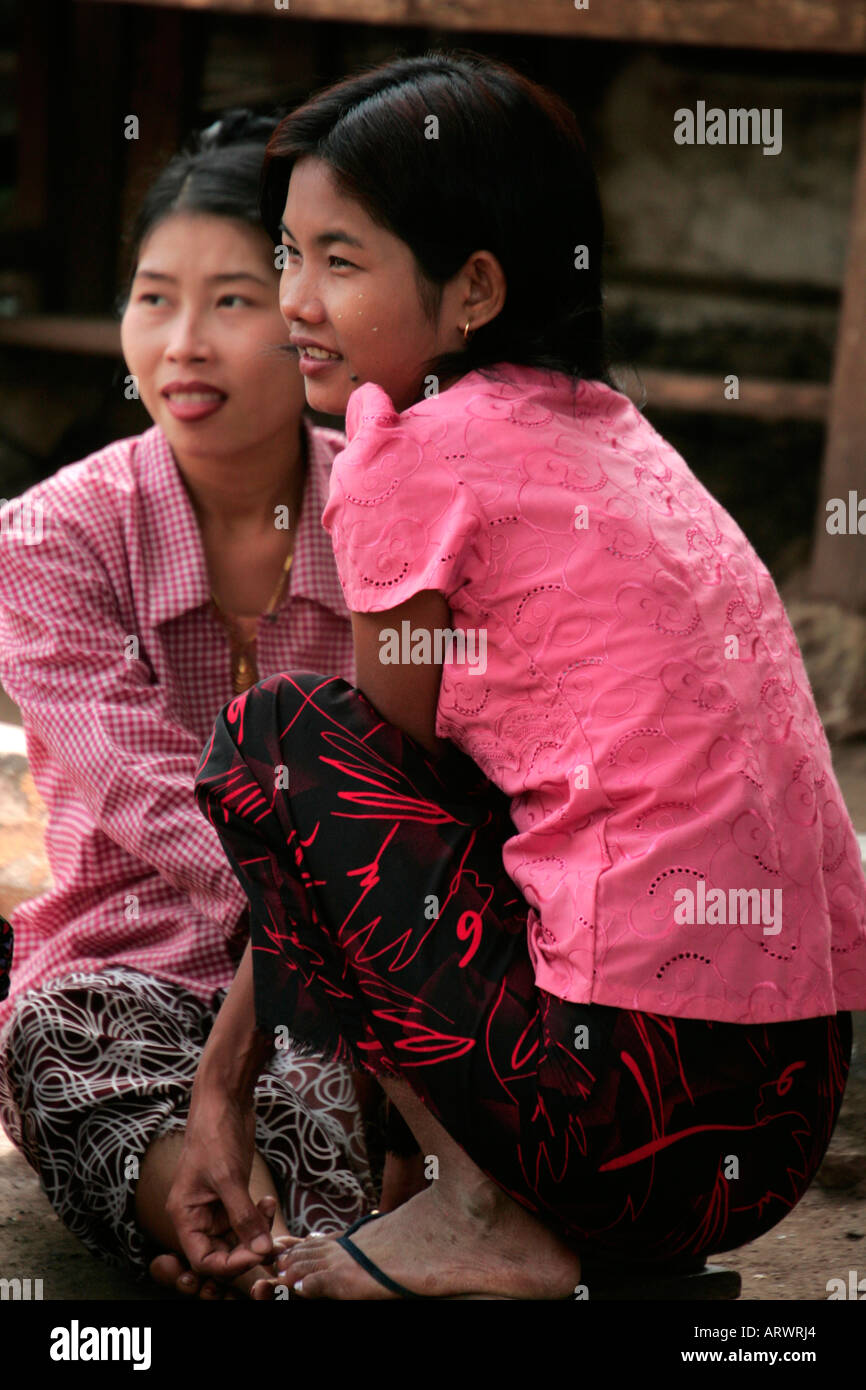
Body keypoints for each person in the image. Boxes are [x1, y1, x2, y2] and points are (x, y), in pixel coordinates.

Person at [168, 53, 866, 1301]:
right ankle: (491, 1210)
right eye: (285, 254)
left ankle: (488, 1214)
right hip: (774, 1131)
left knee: (279, 736)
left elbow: (358, 817)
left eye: (341, 260)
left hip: (617, 1115)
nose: (293, 303)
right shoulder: (622, 438)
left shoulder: (411, 448)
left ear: (474, 288)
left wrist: (217, 1092)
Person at [0, 110, 377, 1300]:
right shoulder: (53, 533)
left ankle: (287, 1238)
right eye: (154, 298)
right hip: (139, 953)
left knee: (344, 1072)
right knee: (55, 1046)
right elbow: (145, 793)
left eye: (232, 299)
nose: (182, 344)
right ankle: (224, 1227)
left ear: (309, 319)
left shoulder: (391, 509)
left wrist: (332, 958)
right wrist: (310, 905)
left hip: (363, 961)